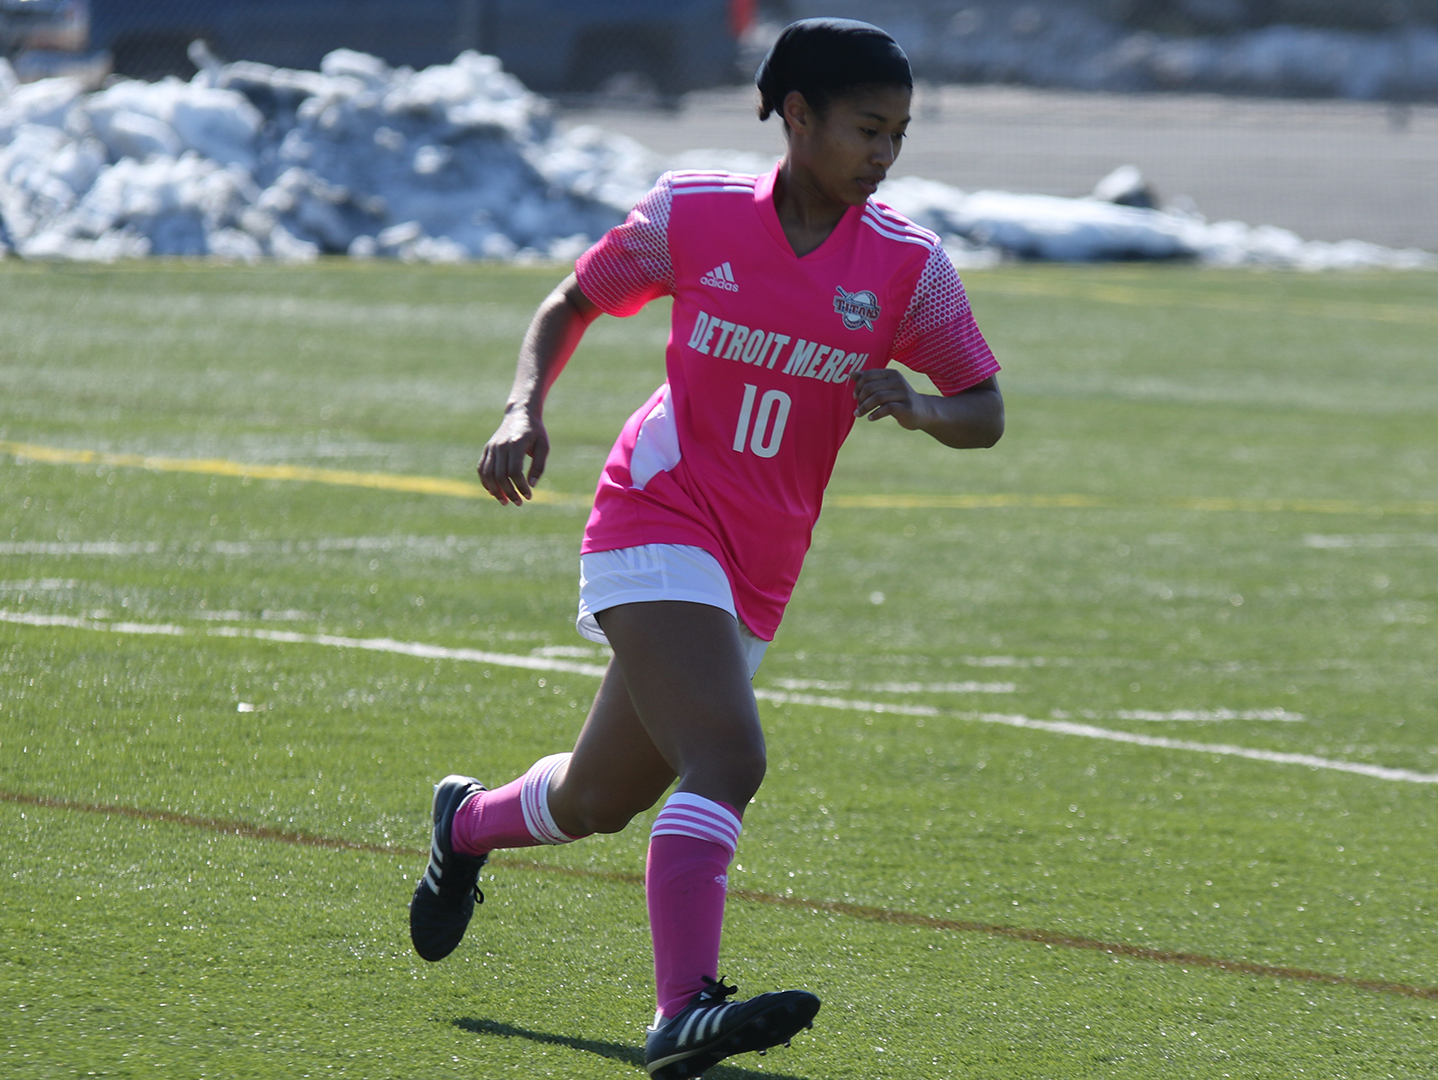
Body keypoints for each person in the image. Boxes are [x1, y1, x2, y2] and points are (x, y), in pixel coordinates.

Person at [408, 18, 1004, 1079]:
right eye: (868, 127)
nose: (884, 154)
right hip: (656, 508)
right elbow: (574, 299)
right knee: (728, 759)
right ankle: (682, 1009)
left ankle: (464, 829)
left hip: (761, 562)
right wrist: (521, 409)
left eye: (900, 134)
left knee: (597, 801)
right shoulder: (697, 213)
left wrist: (915, 407)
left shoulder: (908, 267)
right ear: (799, 116)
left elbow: (985, 406)